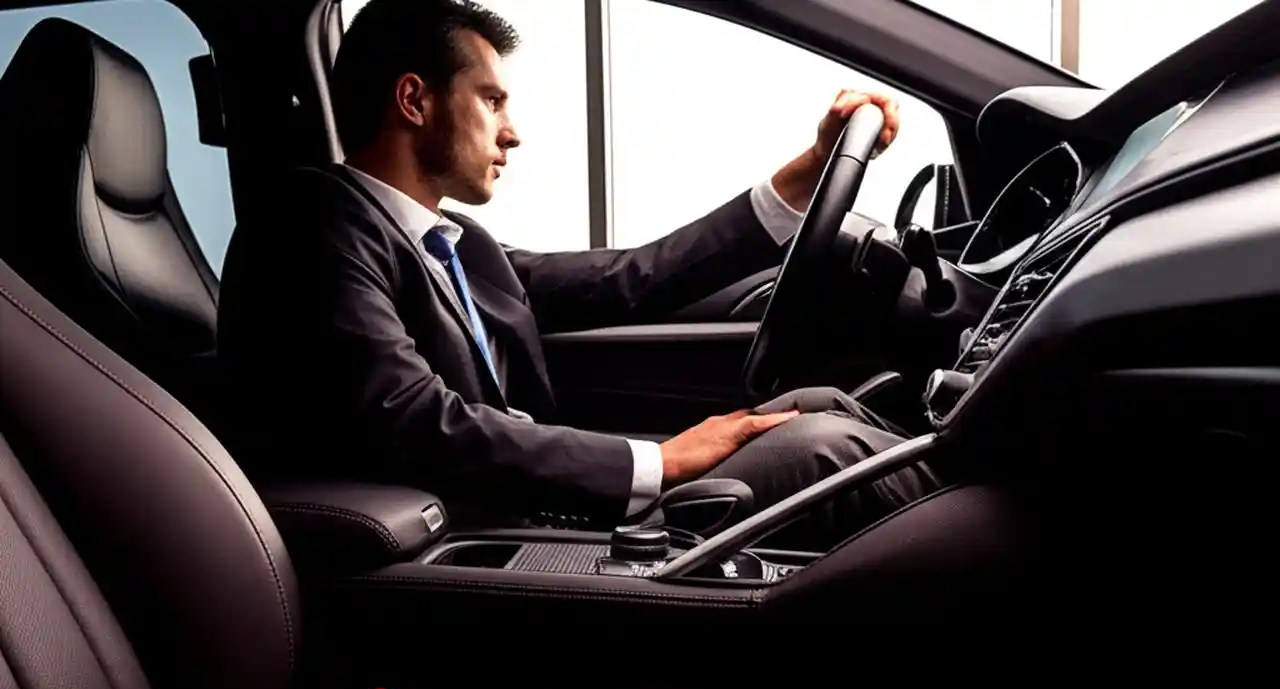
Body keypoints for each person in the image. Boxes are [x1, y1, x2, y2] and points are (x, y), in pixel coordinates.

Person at [217, 0, 943, 548]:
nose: (512, 132)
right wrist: (657, 461)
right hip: (470, 534)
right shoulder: (313, 224)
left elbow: (633, 278)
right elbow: (413, 420)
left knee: (819, 406)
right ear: (414, 101)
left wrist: (808, 173)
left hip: (526, 506)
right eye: (491, 100)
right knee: (824, 451)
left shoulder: (459, 244)